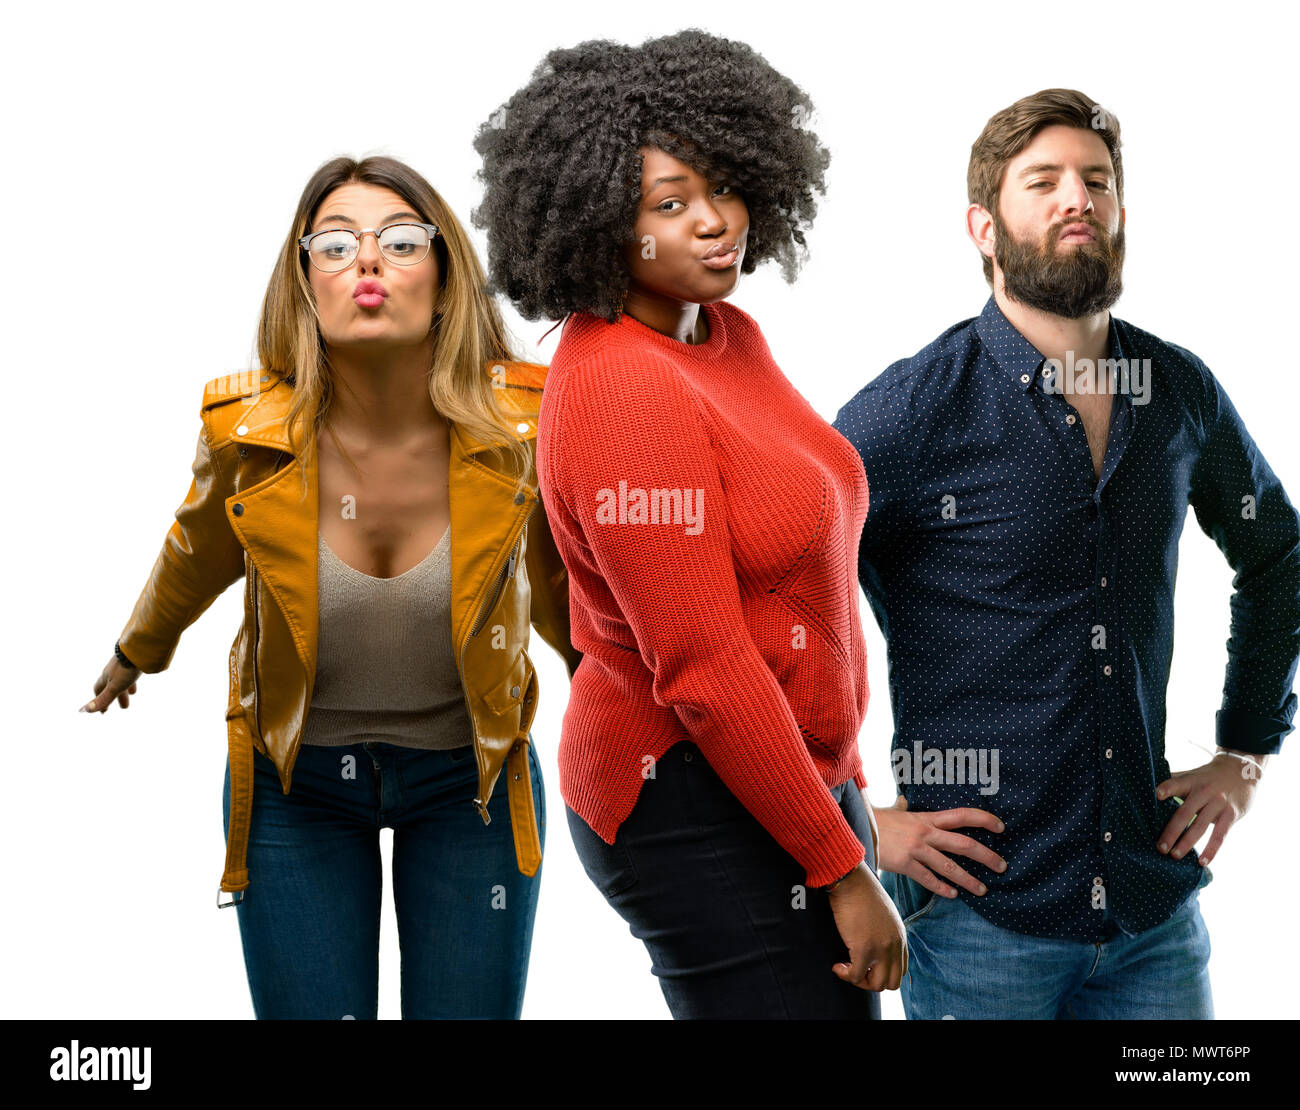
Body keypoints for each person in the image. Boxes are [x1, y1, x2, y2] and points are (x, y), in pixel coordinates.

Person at [833, 89, 1300, 1019]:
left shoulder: (1175, 389)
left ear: (1122, 213)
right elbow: (773, 600)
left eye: (1096, 181)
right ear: (984, 226)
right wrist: (855, 822)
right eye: (1041, 181)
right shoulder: (910, 410)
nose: (1075, 198)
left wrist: (1245, 755)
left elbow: (1280, 556)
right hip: (979, 924)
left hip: (1151, 920)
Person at [81, 154, 581, 1019]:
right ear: (305, 280)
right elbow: (197, 548)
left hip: (476, 782)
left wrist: (642, 704)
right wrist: (137, 652)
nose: (369, 263)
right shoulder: (249, 433)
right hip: (294, 784)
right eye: (337, 245)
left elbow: (569, 594)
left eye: (399, 240)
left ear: (445, 271)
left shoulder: (524, 427)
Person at [472, 29, 906, 1019]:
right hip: (684, 797)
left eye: (721, 187)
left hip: (783, 775)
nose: (715, 224)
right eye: (668, 205)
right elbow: (705, 670)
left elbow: (802, 582)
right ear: (592, 226)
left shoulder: (721, 333)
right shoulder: (621, 388)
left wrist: (840, 789)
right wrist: (839, 870)